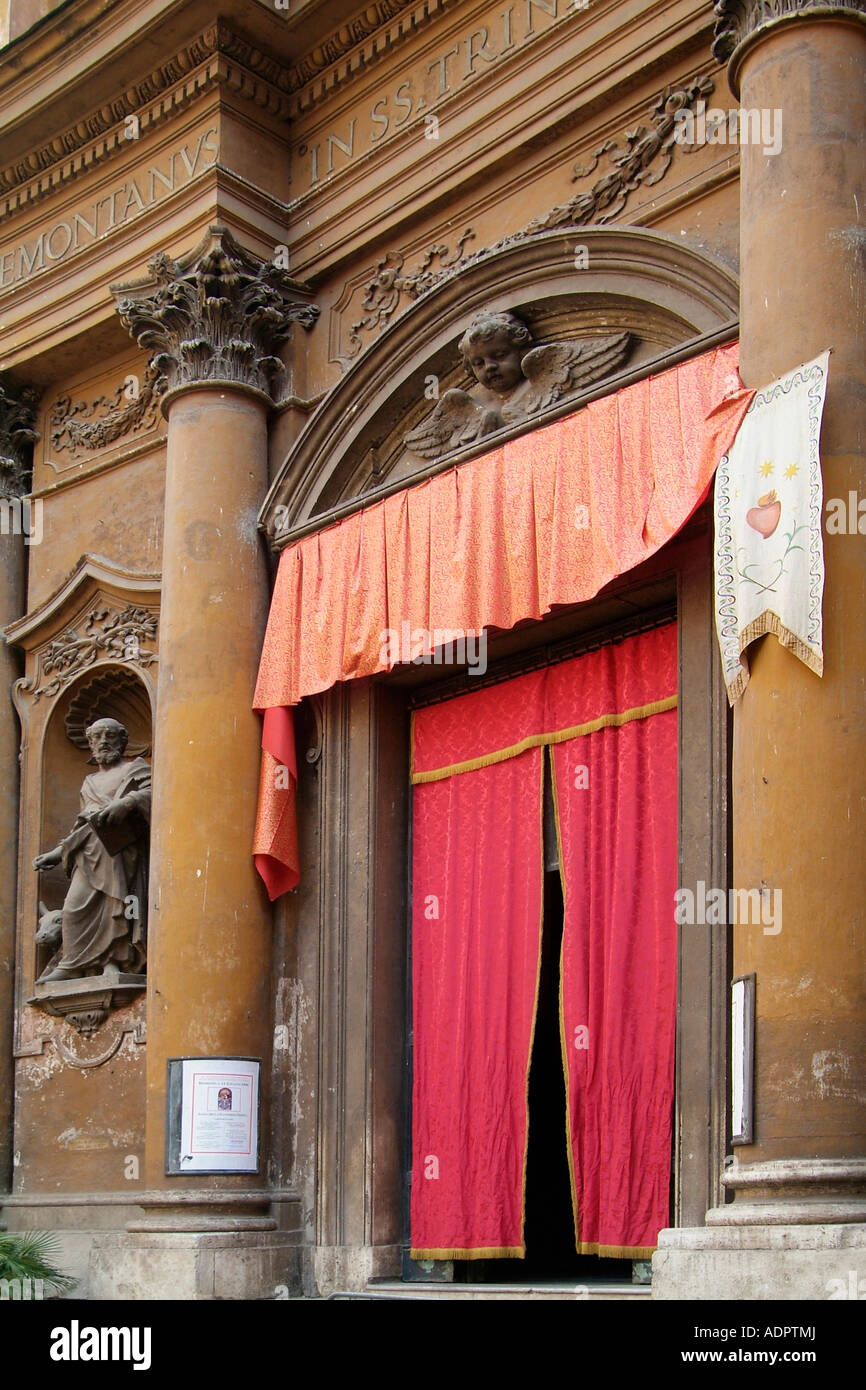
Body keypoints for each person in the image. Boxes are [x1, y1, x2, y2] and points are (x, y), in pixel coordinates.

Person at [34, 718, 150, 982]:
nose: (104, 741)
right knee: (73, 907)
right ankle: (72, 963)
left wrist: (127, 803)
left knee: (119, 905)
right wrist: (56, 853)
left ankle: (115, 961)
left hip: (121, 850)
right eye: (97, 737)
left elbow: (156, 794)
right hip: (87, 853)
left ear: (122, 741)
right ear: (90, 743)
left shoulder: (135, 768)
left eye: (110, 735)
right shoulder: (89, 782)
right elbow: (81, 825)